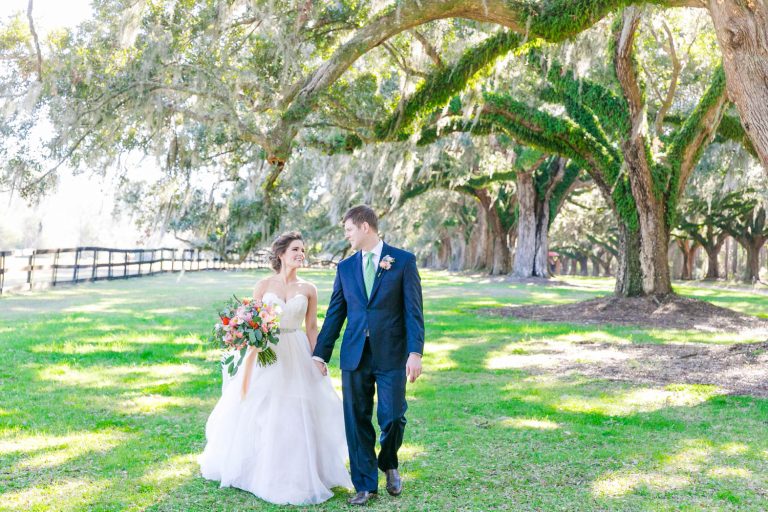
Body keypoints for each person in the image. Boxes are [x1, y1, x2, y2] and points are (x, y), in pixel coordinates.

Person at [199, 231, 352, 505]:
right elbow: (251, 319)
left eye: (303, 250)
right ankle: (257, 467)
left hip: (297, 351)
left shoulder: (309, 289)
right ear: (281, 254)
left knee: (298, 408)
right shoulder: (263, 284)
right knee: (262, 406)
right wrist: (245, 338)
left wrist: (319, 358)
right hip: (267, 351)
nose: (300, 254)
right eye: (295, 249)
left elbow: (312, 328)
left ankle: (298, 469)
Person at [313, 205, 425, 506]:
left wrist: (415, 352)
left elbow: (414, 312)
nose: (346, 235)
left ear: (365, 227)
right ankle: (364, 485)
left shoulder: (402, 261)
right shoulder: (345, 268)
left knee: (393, 417)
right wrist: (320, 354)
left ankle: (388, 462)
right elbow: (335, 313)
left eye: (348, 229)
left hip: (392, 354)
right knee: (356, 419)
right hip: (354, 355)